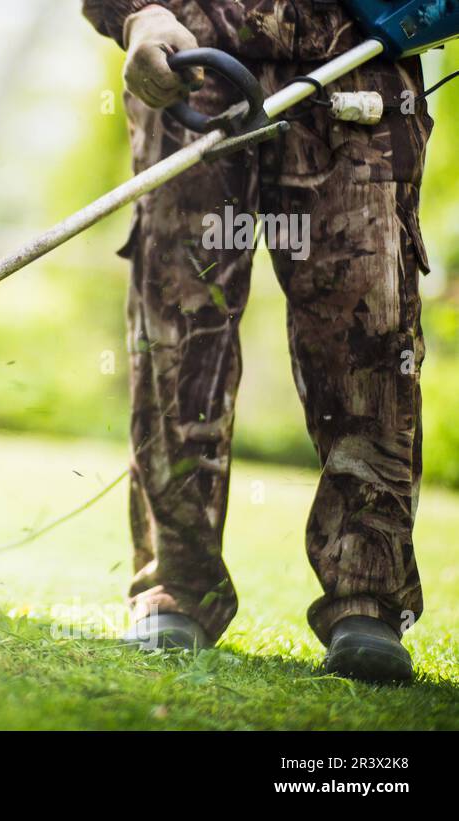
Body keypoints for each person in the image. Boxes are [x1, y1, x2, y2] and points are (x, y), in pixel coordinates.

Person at [82, 0, 434, 682]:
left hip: (360, 59)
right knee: (178, 339)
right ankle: (177, 587)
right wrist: (139, 16)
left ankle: (368, 598)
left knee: (369, 338)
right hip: (192, 62)